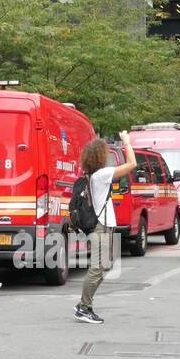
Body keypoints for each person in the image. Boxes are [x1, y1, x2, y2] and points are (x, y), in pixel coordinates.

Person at [74, 133, 138, 324]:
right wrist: (127, 143)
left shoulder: (93, 175)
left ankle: (85, 305)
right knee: (97, 267)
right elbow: (132, 164)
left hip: (104, 226)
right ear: (99, 157)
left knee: (105, 265)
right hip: (100, 226)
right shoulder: (101, 175)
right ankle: (83, 307)